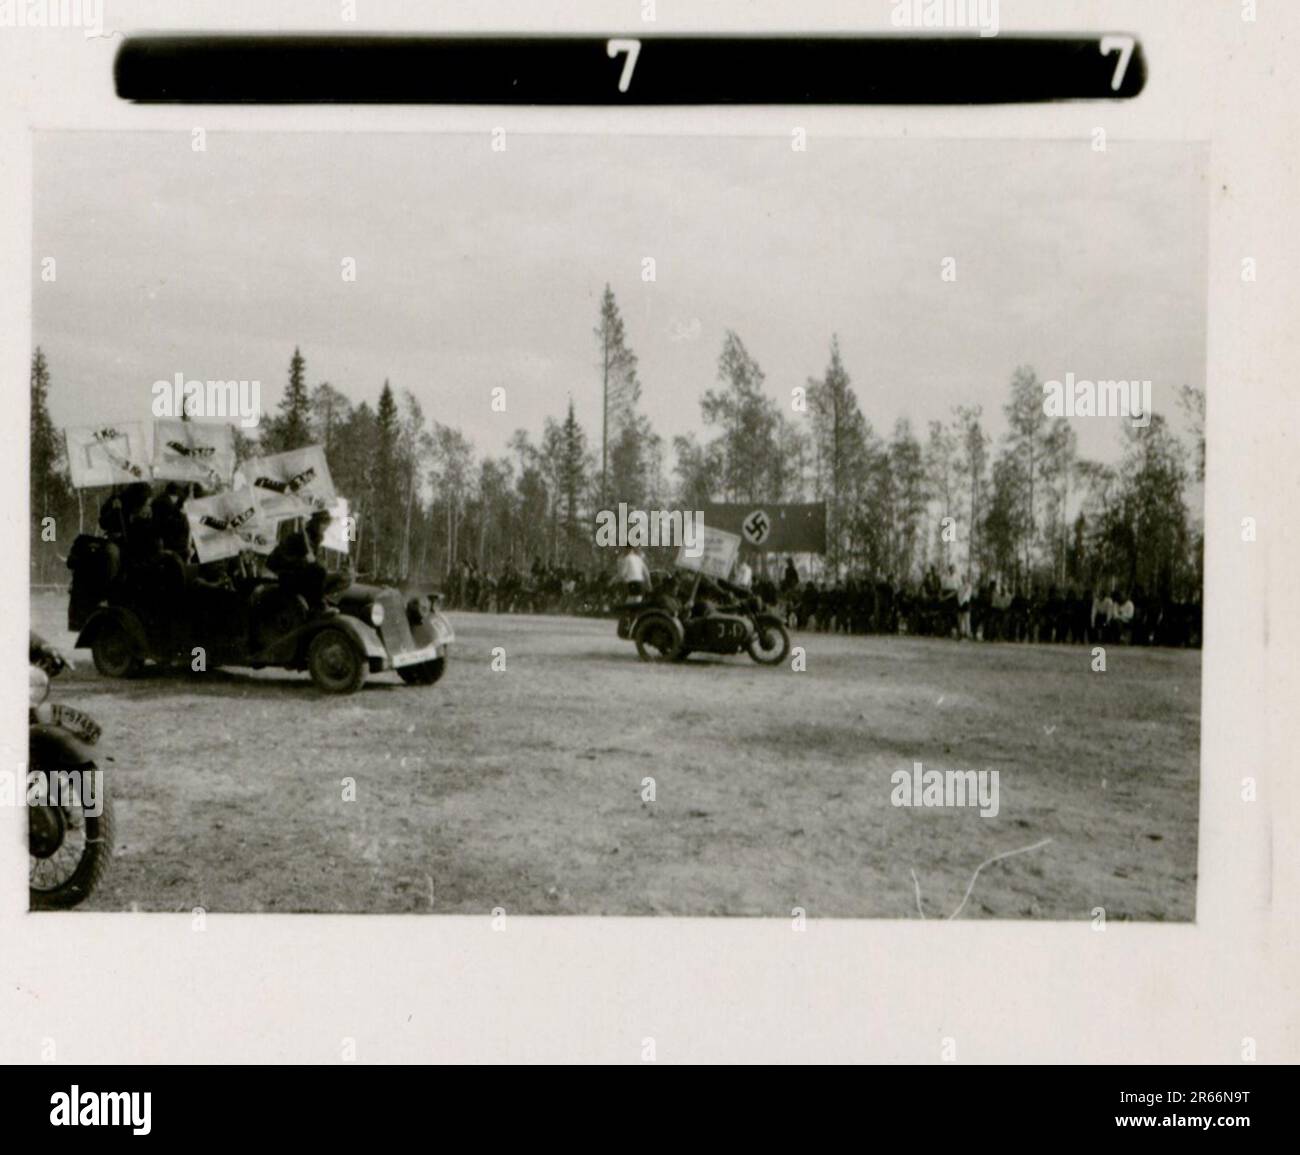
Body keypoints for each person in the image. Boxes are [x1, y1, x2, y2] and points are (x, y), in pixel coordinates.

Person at [266, 509, 350, 611]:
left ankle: (324, 601)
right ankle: (318, 607)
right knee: (319, 570)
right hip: (289, 579)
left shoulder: (315, 540)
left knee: (345, 576)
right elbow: (271, 562)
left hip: (305, 577)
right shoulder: (296, 538)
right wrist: (301, 562)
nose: (325, 527)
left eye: (326, 523)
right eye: (322, 523)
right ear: (314, 523)